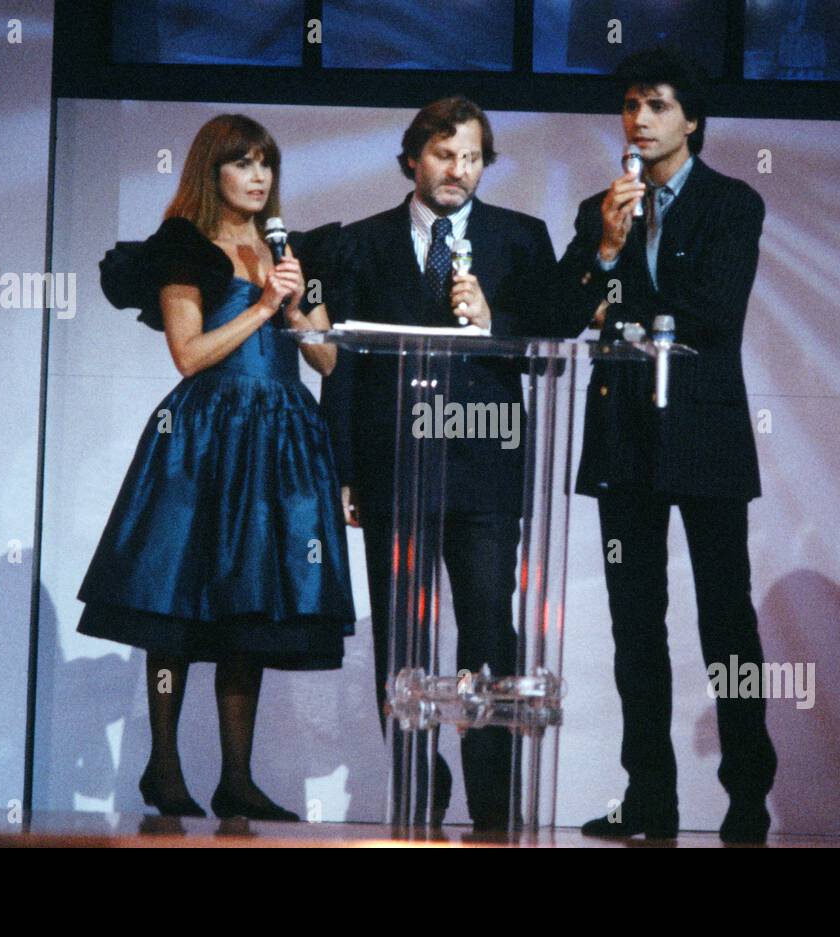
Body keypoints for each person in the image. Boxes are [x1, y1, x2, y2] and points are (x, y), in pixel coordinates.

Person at [77, 113, 355, 820]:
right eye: (243, 163)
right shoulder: (185, 248)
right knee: (177, 599)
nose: (259, 177)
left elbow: (325, 359)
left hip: (282, 438)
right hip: (206, 436)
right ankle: (164, 765)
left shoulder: (288, 251)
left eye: (267, 164)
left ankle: (238, 774)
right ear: (214, 171)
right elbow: (190, 354)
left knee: (250, 605)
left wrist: (295, 307)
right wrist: (263, 305)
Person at [320, 96, 564, 831]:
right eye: (443, 154)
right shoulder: (362, 243)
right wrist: (343, 469)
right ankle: (417, 788)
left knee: (490, 628)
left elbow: (550, 344)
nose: (458, 170)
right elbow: (347, 366)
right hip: (396, 468)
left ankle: (492, 803)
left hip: (485, 467)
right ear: (411, 160)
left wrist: (494, 322)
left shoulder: (522, 239)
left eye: (472, 156)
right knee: (401, 638)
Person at [555, 49, 777, 843]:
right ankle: (649, 793)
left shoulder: (731, 204)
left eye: (655, 105)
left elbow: (716, 310)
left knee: (727, 619)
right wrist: (608, 252)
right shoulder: (599, 210)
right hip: (624, 438)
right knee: (633, 622)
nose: (638, 120)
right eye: (628, 105)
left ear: (691, 119)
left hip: (705, 434)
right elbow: (561, 310)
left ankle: (748, 790)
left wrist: (631, 297)